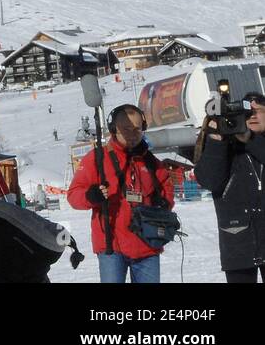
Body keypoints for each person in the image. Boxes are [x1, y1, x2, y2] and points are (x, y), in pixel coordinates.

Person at [67, 104, 174, 283]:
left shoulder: (151, 162)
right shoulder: (97, 158)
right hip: (111, 247)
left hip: (147, 245)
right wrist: (90, 196)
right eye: (126, 129)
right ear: (113, 129)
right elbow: (73, 195)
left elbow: (166, 191)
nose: (132, 134)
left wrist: (163, 204)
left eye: (137, 129)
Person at [193, 93, 265, 282]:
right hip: (237, 240)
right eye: (247, 113)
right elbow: (209, 181)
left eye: (258, 111)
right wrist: (217, 141)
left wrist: (249, 140)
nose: (253, 117)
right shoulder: (225, 149)